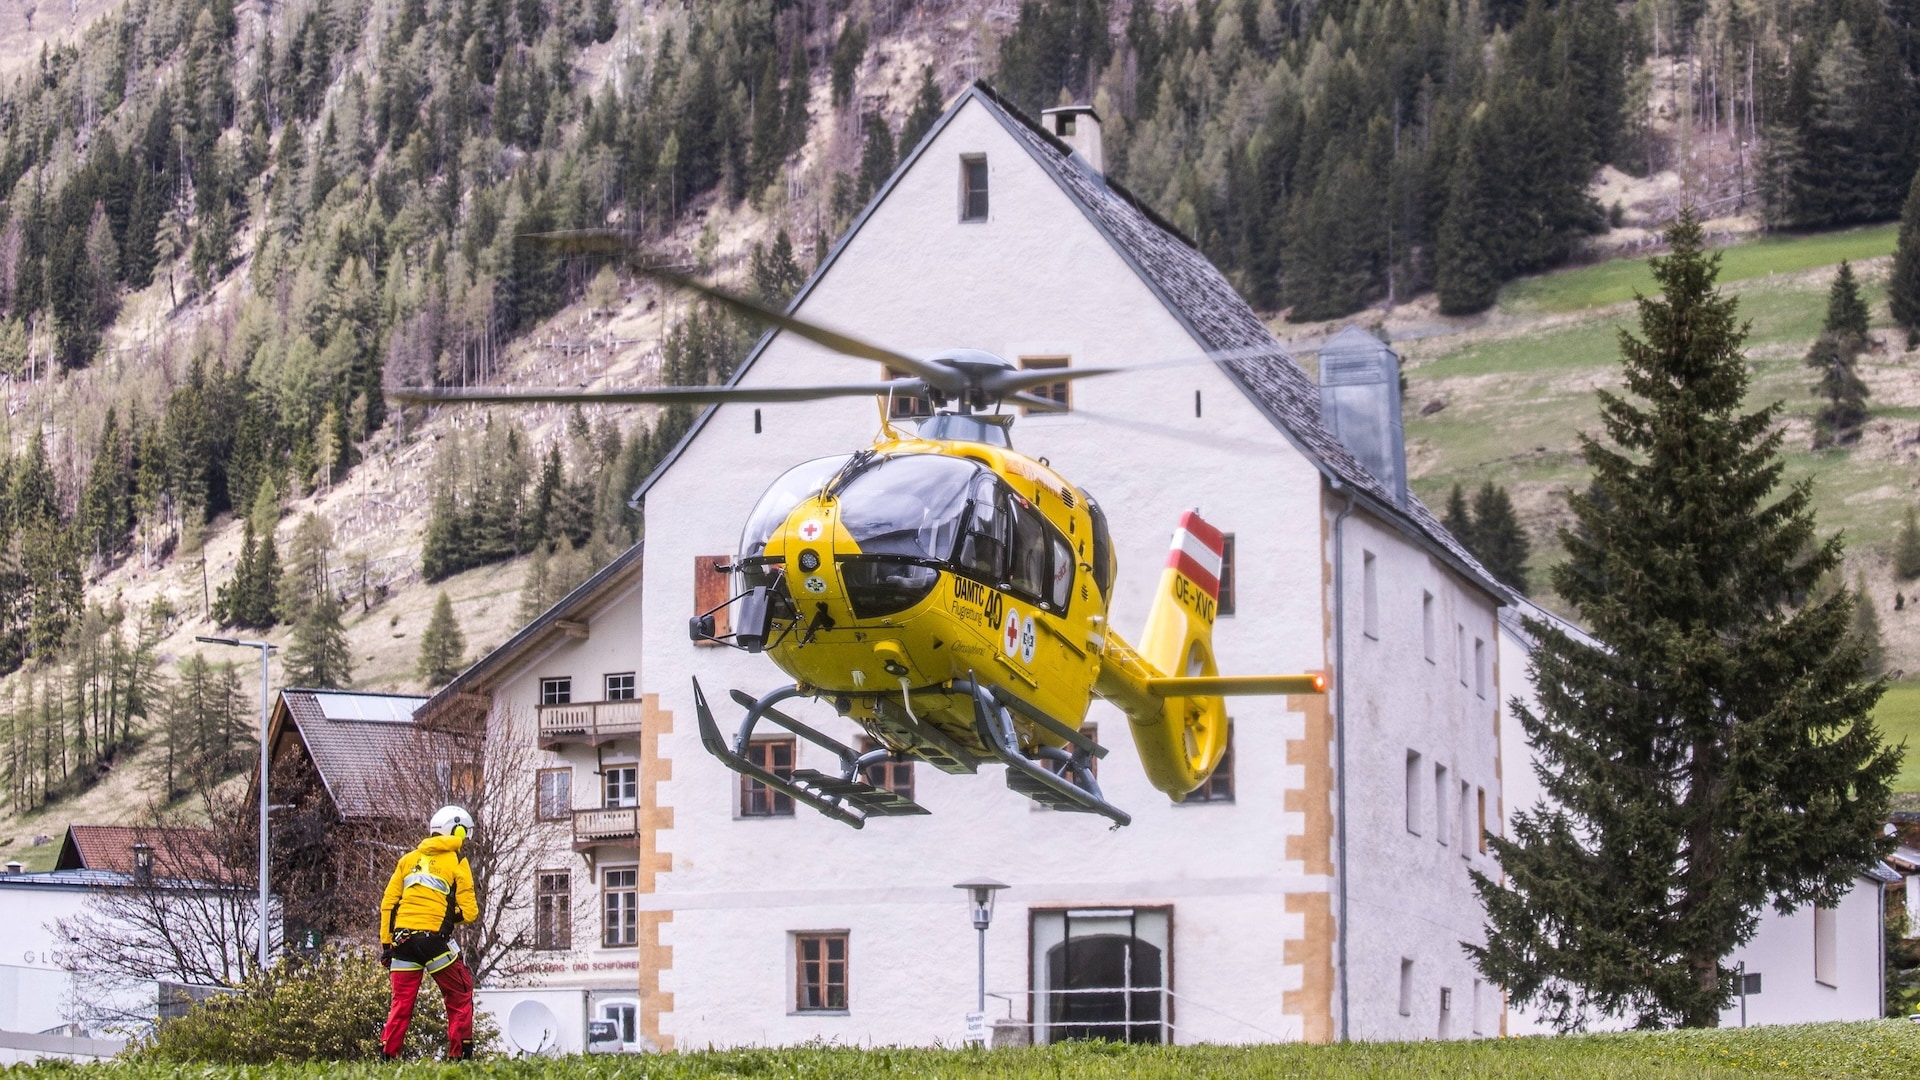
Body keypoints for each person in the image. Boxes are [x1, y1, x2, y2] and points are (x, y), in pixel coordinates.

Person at [379, 804, 478, 1061]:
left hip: (402, 941)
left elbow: (388, 905)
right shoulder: (458, 861)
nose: (465, 839)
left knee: (400, 1005)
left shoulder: (407, 860)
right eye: (464, 833)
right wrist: (445, 916)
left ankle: (388, 1058)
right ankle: (459, 1058)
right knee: (460, 993)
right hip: (434, 941)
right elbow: (469, 913)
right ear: (455, 830)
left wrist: (386, 946)